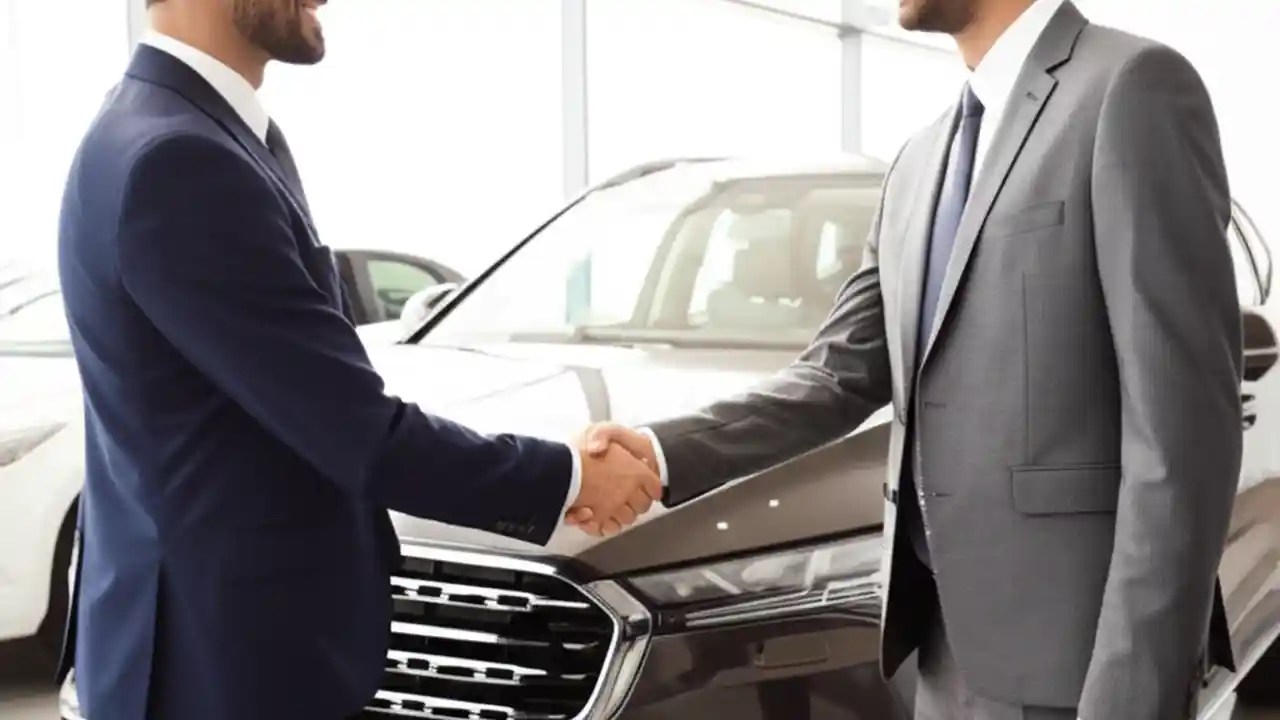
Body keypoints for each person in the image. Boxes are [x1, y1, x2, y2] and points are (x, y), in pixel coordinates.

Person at [575, 0, 1242, 718]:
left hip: (1079, 671)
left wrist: (1129, 700)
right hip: (941, 658)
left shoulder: (1133, 88)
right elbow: (835, 375)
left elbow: (1183, 444)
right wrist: (658, 451)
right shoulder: (920, 161)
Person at [55, 1, 657, 718]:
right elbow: (356, 432)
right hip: (219, 665)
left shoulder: (178, 129)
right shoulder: (180, 159)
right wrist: (571, 477)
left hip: (212, 639)